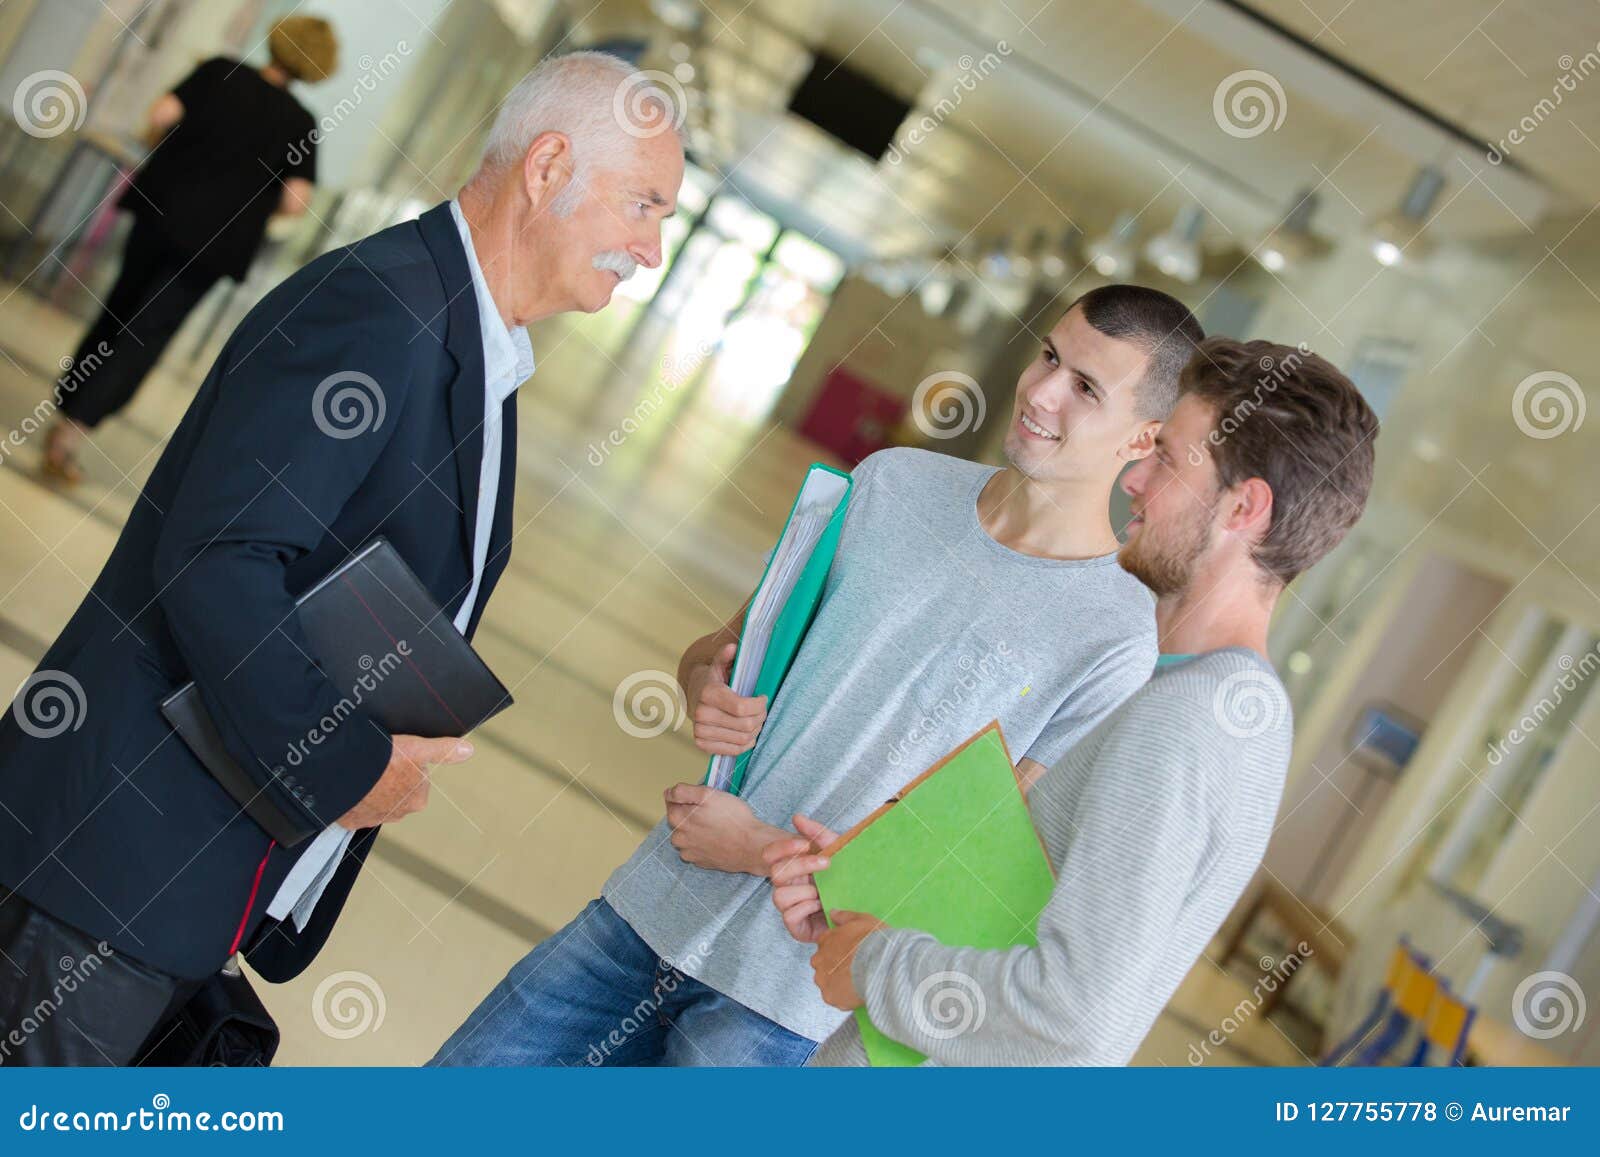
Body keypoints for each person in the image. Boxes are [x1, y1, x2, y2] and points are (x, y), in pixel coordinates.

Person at [0, 51, 684, 1066]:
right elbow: (222, 557)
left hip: (187, 875)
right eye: (644, 205)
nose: (650, 246)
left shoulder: (465, 339)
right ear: (546, 169)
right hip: (113, 863)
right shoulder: (379, 309)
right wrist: (347, 766)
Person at [433, 286, 1206, 1066]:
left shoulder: (1115, 637)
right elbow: (722, 647)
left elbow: (970, 872)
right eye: (1048, 356)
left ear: (1144, 436)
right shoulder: (890, 485)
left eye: (1084, 387)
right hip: (649, 908)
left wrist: (761, 850)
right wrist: (707, 684)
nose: (1041, 392)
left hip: (786, 1008)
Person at [768, 336, 1380, 1065]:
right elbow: (1041, 923)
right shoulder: (1229, 708)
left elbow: (1067, 1017)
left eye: (1168, 458)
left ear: (1243, 506)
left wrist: (876, 963)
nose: (1134, 478)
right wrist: (876, 906)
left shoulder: (1186, 724)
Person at [41, 16, 339, 484]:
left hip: (160, 211)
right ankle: (73, 431)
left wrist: (170, 154)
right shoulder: (300, 123)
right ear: (317, 67)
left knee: (119, 307)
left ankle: (67, 405)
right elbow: (296, 202)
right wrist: (256, 213)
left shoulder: (219, 69)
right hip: (216, 247)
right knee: (148, 333)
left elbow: (161, 115)